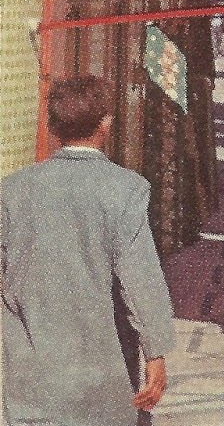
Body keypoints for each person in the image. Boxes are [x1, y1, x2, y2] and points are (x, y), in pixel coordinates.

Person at [2, 75, 175, 426]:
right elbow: (141, 279)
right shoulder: (126, 189)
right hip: (99, 366)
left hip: (29, 366)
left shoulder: (13, 189)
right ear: (106, 124)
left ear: (51, 127)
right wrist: (155, 350)